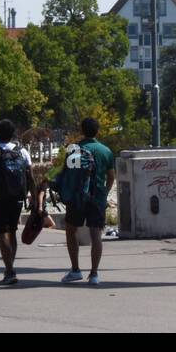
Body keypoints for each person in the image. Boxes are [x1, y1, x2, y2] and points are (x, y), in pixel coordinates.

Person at [56, 116, 116, 286]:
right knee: (96, 234)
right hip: (97, 198)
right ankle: (94, 274)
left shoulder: (73, 150)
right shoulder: (106, 151)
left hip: (77, 198)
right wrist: (104, 193)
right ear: (98, 131)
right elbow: (111, 177)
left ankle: (75, 269)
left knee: (70, 231)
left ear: (82, 131)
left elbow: (68, 175)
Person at [0, 119, 34, 285]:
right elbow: (30, 177)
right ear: (13, 134)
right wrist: (34, 198)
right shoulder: (22, 151)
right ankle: (10, 265)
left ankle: (9, 270)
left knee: (3, 234)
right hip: (17, 199)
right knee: (13, 231)